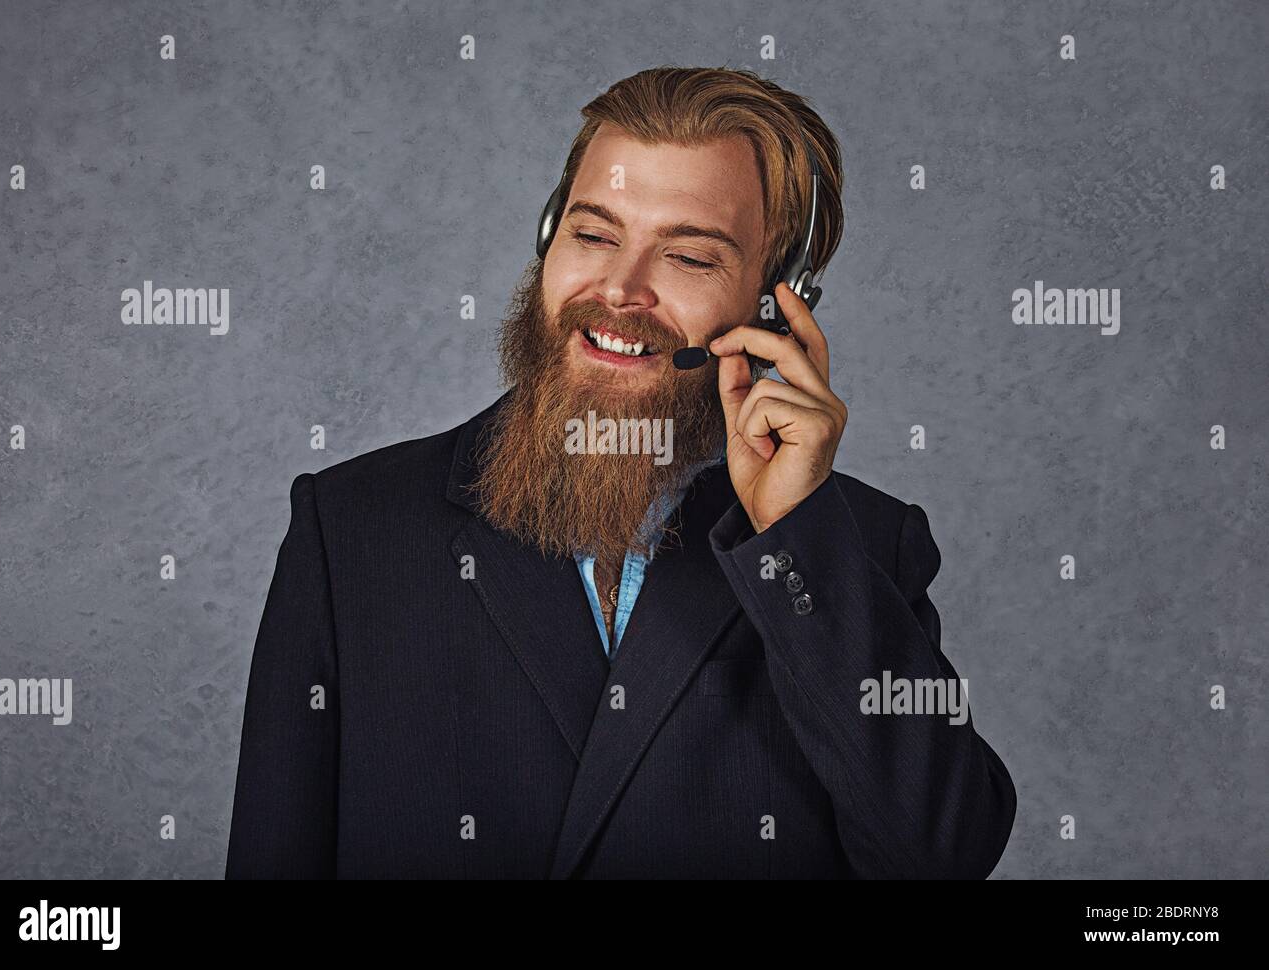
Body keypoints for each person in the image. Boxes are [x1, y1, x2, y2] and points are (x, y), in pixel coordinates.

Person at [225, 66, 1016, 879]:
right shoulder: (352, 528)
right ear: (547, 240)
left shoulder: (852, 546)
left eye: (688, 255)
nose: (619, 289)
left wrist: (792, 539)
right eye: (594, 235)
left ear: (774, 306)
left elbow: (940, 857)